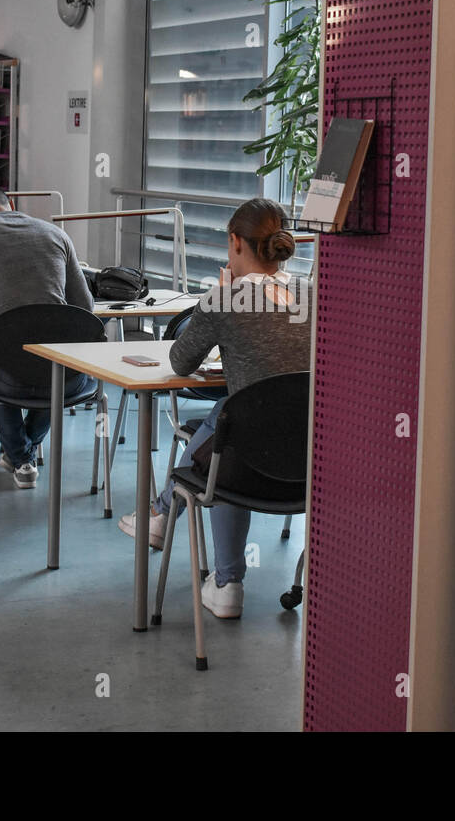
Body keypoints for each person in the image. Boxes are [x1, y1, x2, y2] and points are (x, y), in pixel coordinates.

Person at [118, 198, 313, 619]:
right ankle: (166, 517)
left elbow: (180, 362)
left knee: (233, 425)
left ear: (234, 242)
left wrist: (220, 304)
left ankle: (223, 578)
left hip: (247, 464)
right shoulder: (314, 292)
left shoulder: (224, 299)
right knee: (233, 412)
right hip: (311, 464)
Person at [0, 185, 95, 489]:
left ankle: (21, 458)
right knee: (49, 372)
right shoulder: (55, 232)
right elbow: (86, 307)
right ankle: (21, 455)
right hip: (67, 377)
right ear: (10, 204)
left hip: (10, 373)